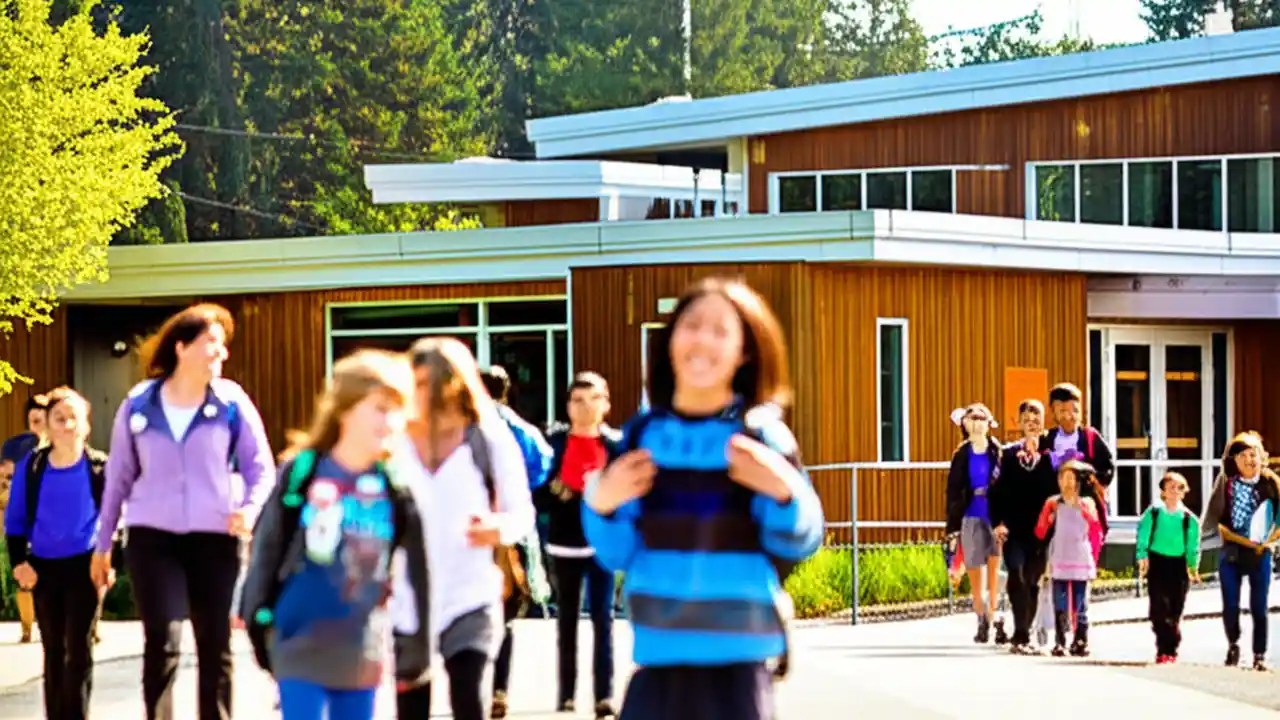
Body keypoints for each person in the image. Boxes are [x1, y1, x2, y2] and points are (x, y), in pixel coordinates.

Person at [583, 277, 824, 720]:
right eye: (691, 325)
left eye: (720, 330)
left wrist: (783, 492)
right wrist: (601, 505)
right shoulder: (642, 436)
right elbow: (616, 553)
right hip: (656, 660)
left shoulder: (761, 435)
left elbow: (803, 540)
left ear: (745, 350)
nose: (702, 340)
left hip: (740, 666)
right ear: (670, 339)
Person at [93, 303, 277, 720]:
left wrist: (249, 510)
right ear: (181, 347)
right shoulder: (139, 406)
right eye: (212, 342)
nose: (221, 353)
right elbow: (118, 479)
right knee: (164, 639)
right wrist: (103, 546)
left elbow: (261, 469)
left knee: (215, 644)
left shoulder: (231, 403)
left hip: (217, 539)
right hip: (152, 539)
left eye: (223, 345)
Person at [239, 350, 430, 720]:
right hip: (297, 643)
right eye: (379, 408)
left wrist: (418, 645)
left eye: (397, 410)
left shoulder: (395, 486)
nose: (390, 421)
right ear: (345, 408)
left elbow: (421, 571)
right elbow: (267, 549)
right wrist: (257, 621)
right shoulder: (304, 472)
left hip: (362, 650)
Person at [397, 338, 535, 720]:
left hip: (470, 596)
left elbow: (521, 511)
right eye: (416, 383)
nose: (423, 393)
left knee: (468, 699)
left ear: (456, 384)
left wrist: (498, 528)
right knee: (410, 709)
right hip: (407, 601)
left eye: (431, 383)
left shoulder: (487, 438)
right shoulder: (396, 440)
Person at [3, 387, 106, 720]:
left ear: (85, 425)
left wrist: (108, 560)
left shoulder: (99, 468)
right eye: (58, 418)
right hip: (44, 568)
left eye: (73, 417)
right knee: (54, 650)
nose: (66, 424)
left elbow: (116, 520)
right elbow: (15, 520)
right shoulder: (31, 468)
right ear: (46, 424)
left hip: (84, 566)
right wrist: (19, 563)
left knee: (78, 649)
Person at [535, 372, 621, 719]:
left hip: (603, 545)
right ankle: (567, 695)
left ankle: (604, 696)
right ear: (568, 405)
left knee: (604, 618)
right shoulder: (553, 443)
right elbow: (537, 492)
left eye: (592, 399)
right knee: (566, 621)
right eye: (577, 401)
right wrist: (561, 489)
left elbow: (629, 494)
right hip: (564, 543)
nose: (584, 408)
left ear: (606, 404)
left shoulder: (616, 445)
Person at [479, 364, 553, 719]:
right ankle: (499, 689)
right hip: (513, 532)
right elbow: (542, 466)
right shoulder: (520, 428)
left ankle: (475, 685)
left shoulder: (467, 427)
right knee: (505, 616)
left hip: (474, 531)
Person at [1201, 432, 1280, 671]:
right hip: (1232, 552)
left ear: (1261, 457)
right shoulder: (1226, 482)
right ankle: (1233, 644)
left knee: (1259, 606)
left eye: (1253, 454)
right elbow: (1216, 522)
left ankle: (1259, 655)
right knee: (1231, 605)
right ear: (1233, 460)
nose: (1249, 460)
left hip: (1260, 553)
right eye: (1243, 455)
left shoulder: (1271, 482)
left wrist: (1269, 540)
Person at [990, 399, 1058, 654]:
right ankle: (1019, 633)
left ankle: (1024, 632)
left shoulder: (1051, 456)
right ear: (1018, 423)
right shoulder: (1007, 455)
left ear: (1043, 422)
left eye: (1036, 419)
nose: (1031, 423)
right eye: (1026, 420)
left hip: (1041, 530)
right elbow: (997, 492)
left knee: (1032, 580)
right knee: (1016, 574)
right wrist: (997, 523)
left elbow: (1056, 489)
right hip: (1014, 528)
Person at [945, 403, 1003, 644]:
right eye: (973, 418)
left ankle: (995, 615)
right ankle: (981, 618)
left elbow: (1006, 484)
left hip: (995, 516)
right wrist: (951, 529)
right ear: (965, 424)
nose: (978, 423)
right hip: (970, 516)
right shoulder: (961, 455)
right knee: (975, 574)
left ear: (989, 423)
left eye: (982, 418)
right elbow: (953, 492)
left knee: (995, 574)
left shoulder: (998, 451)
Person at [1035, 460, 1103, 658]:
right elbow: (1040, 531)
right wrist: (1047, 520)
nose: (1068, 483)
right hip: (1060, 556)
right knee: (1060, 602)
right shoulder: (1053, 503)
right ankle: (1060, 641)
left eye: (1072, 478)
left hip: (1080, 556)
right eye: (1064, 478)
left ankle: (1081, 639)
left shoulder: (1087, 503)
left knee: (1081, 603)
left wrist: (1087, 512)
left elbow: (1096, 527)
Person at [1135, 472, 1201, 664]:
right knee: (1158, 607)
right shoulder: (1154, 513)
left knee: (1175, 608)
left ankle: (1171, 649)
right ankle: (1162, 648)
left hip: (1178, 565)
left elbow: (1192, 546)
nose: (1175, 491)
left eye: (1180, 487)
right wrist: (1142, 556)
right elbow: (1143, 536)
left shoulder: (1189, 519)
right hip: (1158, 562)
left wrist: (1193, 567)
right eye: (1171, 486)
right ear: (1163, 491)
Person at [1, 393, 49, 644]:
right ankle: (27, 628)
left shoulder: (63, 450)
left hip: (54, 521)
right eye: (33, 421)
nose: (37, 427)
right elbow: (6, 477)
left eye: (41, 420)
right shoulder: (17, 449)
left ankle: (90, 627)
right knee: (25, 574)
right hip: (26, 518)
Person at [1041, 383, 1114, 537]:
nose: (1069, 416)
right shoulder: (1047, 439)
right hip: (1056, 510)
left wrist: (1091, 478)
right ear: (1053, 412)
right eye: (1063, 411)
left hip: (1084, 509)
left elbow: (1108, 467)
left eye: (1074, 410)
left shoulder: (1090, 437)